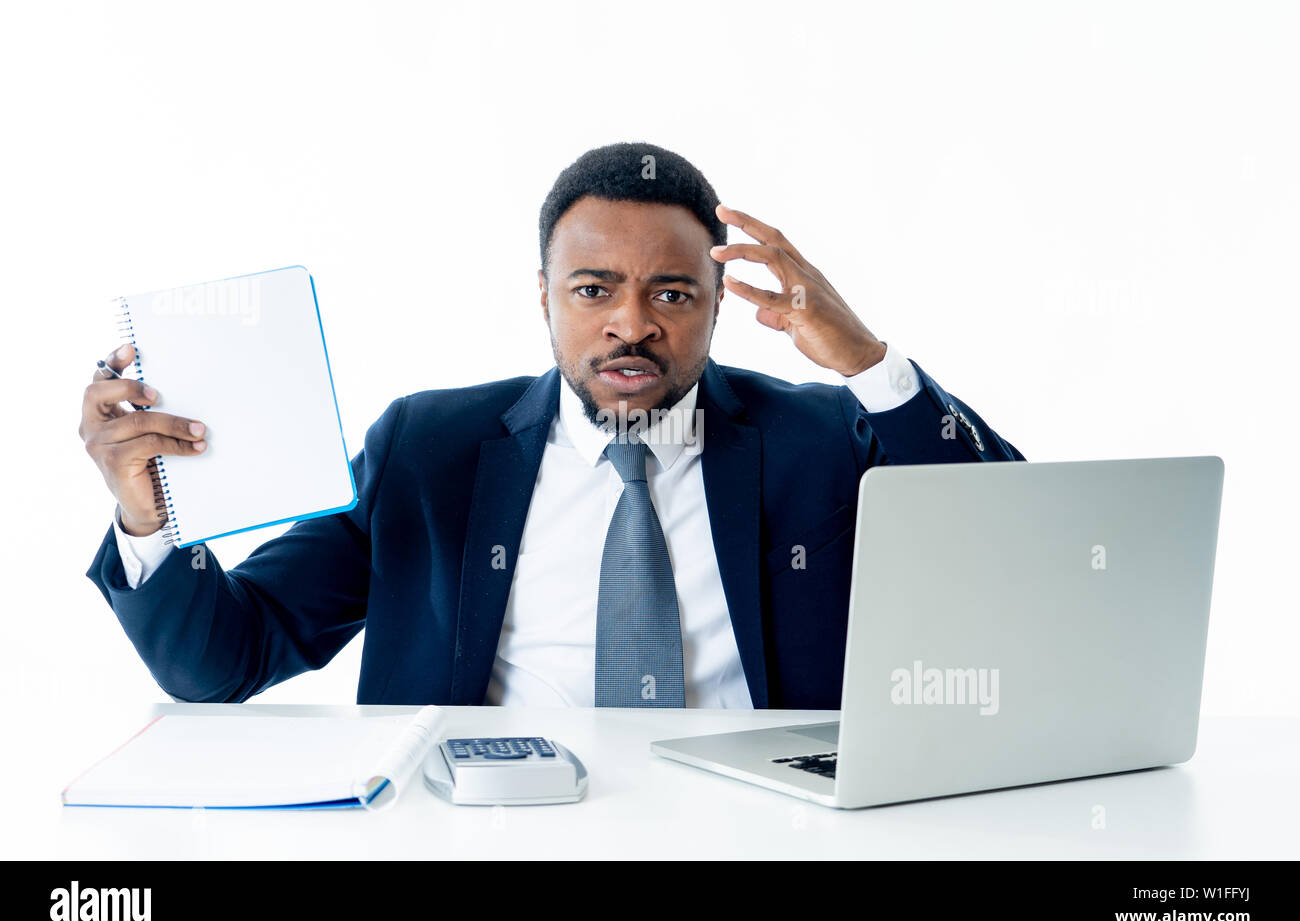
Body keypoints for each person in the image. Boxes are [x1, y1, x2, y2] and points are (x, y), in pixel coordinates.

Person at [81, 142, 1025, 709]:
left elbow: (1013, 545)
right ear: (542, 297)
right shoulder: (426, 449)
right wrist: (148, 516)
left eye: (671, 292)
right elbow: (224, 661)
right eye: (593, 289)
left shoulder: (822, 437)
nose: (632, 323)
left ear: (717, 305)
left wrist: (868, 363)